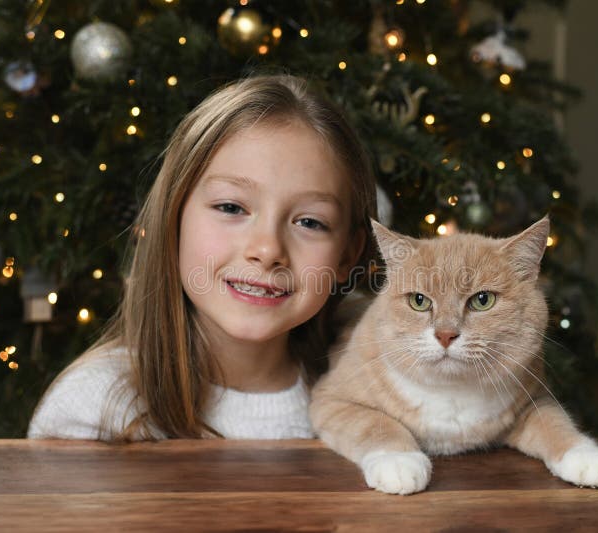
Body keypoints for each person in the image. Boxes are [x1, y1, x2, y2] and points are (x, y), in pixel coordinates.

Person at [27, 74, 379, 441]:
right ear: (174, 217)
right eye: (231, 207)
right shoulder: (96, 411)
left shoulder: (381, 403)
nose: (267, 250)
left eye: (309, 221)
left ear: (346, 257)